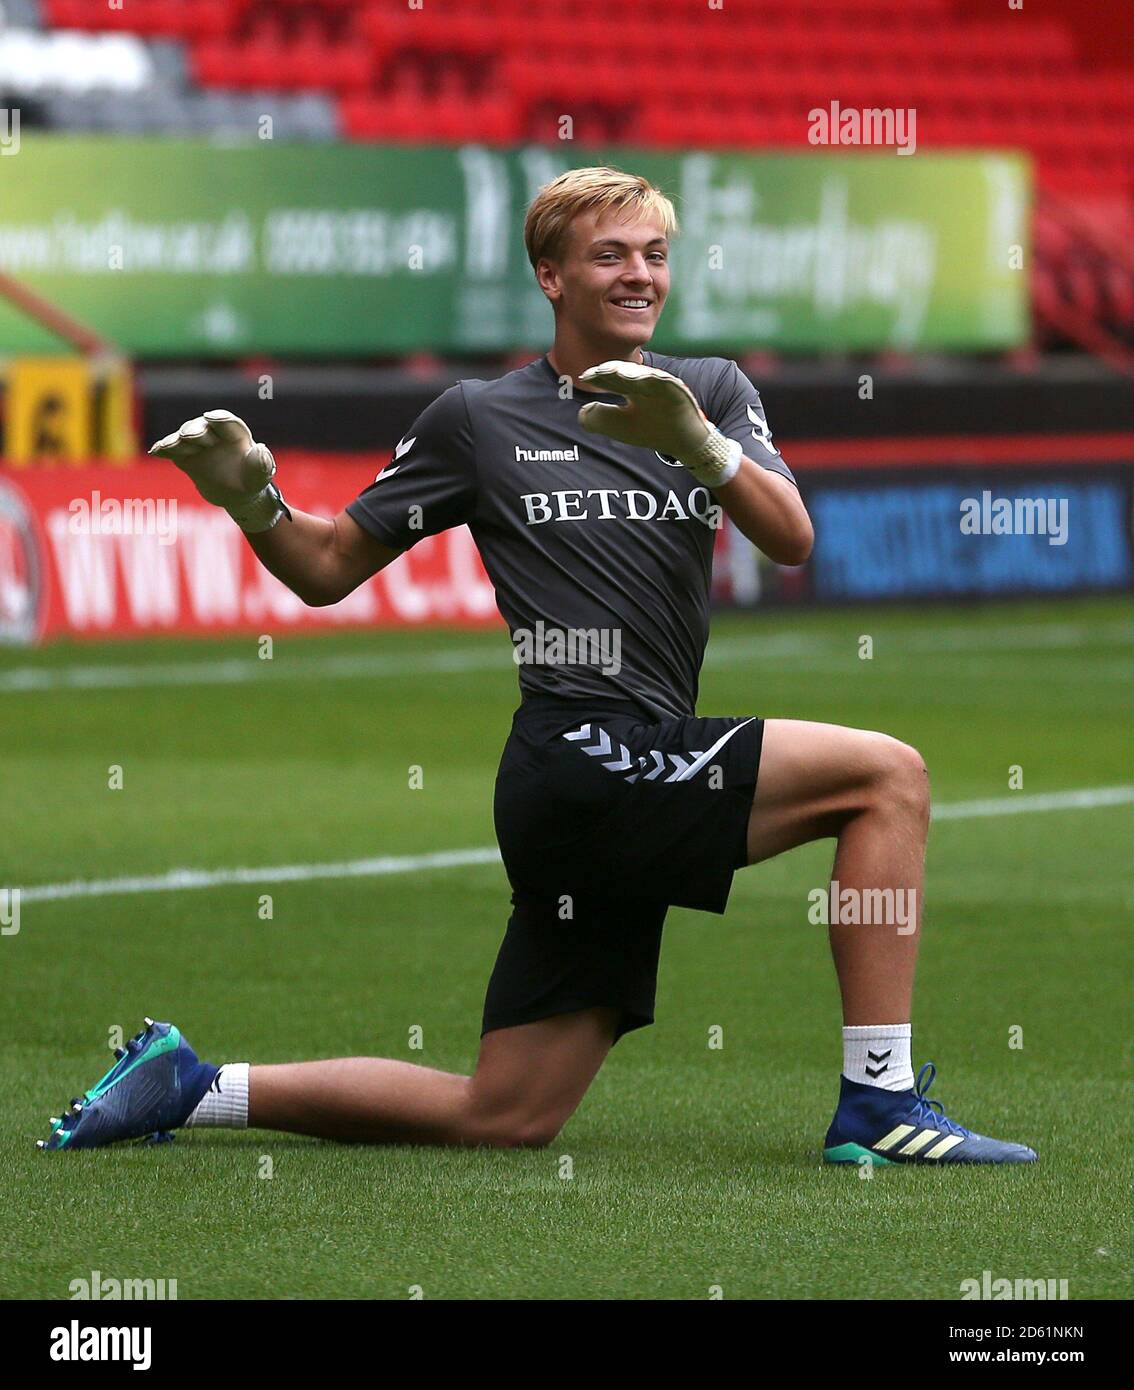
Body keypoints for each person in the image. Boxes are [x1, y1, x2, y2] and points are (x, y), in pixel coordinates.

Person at [40, 167, 1035, 1165]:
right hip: (579, 758)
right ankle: (880, 1102)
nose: (639, 274)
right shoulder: (477, 418)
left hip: (615, 780)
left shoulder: (717, 389)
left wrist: (697, 443)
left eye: (654, 254)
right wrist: (250, 502)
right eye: (610, 255)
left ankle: (195, 1086)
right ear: (550, 275)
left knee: (506, 1113)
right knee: (887, 777)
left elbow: (792, 538)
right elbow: (327, 567)